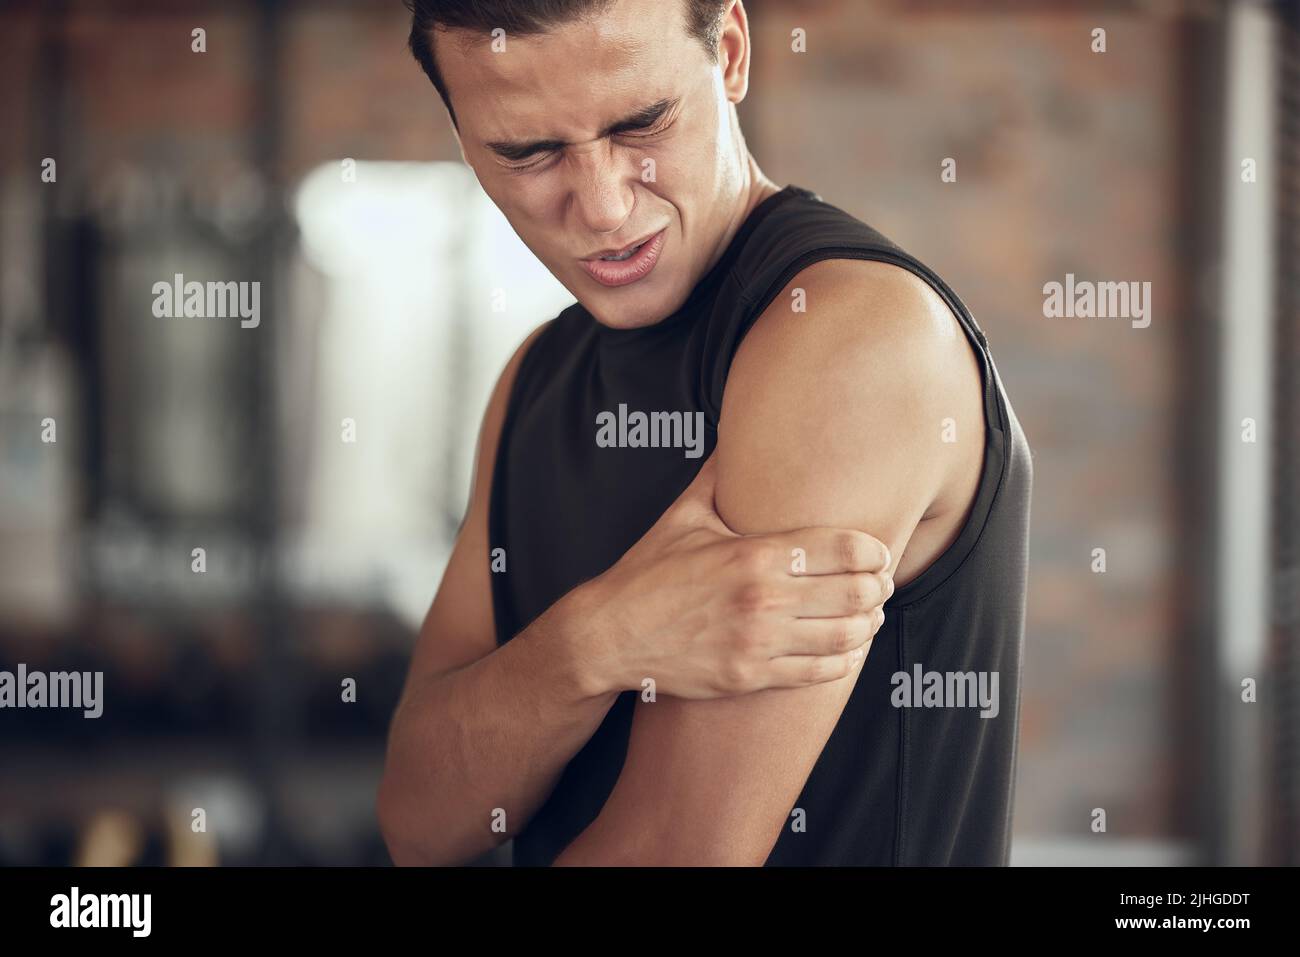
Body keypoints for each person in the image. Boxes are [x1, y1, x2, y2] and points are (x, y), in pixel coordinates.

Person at [378, 0, 1033, 866]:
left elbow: (676, 851)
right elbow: (418, 821)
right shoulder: (535, 377)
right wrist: (595, 640)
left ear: (728, 52)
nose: (603, 207)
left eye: (642, 123)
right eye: (528, 151)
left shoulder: (853, 338)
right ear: (462, 136)